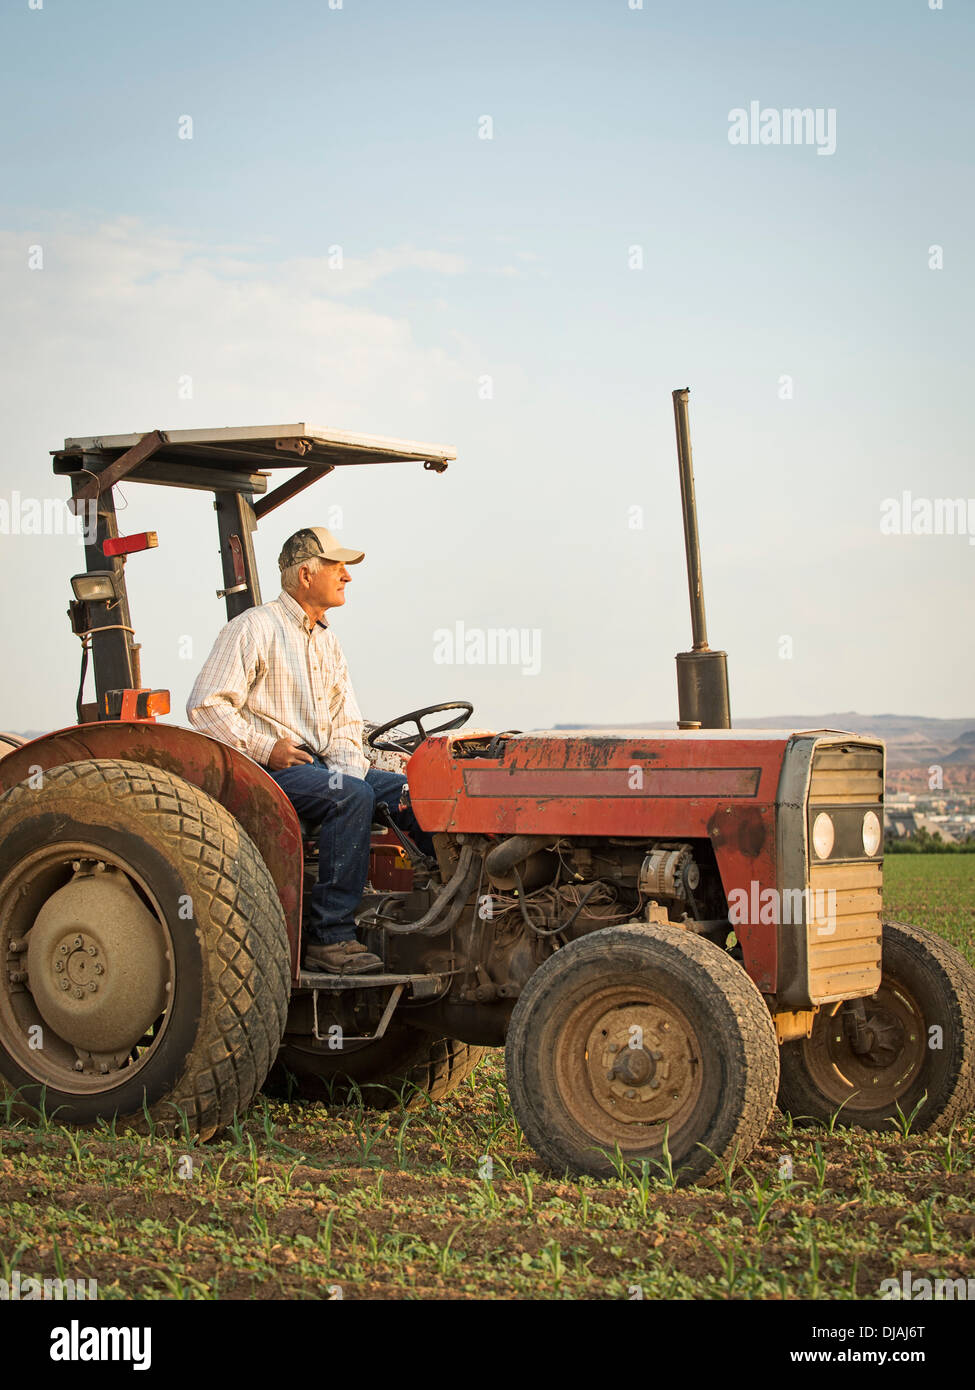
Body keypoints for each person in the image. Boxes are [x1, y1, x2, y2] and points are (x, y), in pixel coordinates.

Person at [186, 526, 434, 975]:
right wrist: (267, 747)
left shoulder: (327, 641)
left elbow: (346, 721)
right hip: (270, 771)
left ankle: (440, 907)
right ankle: (330, 936)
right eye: (337, 567)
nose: (347, 577)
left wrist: (347, 770)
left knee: (411, 793)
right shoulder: (253, 628)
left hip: (322, 768)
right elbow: (205, 707)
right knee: (351, 798)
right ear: (305, 574)